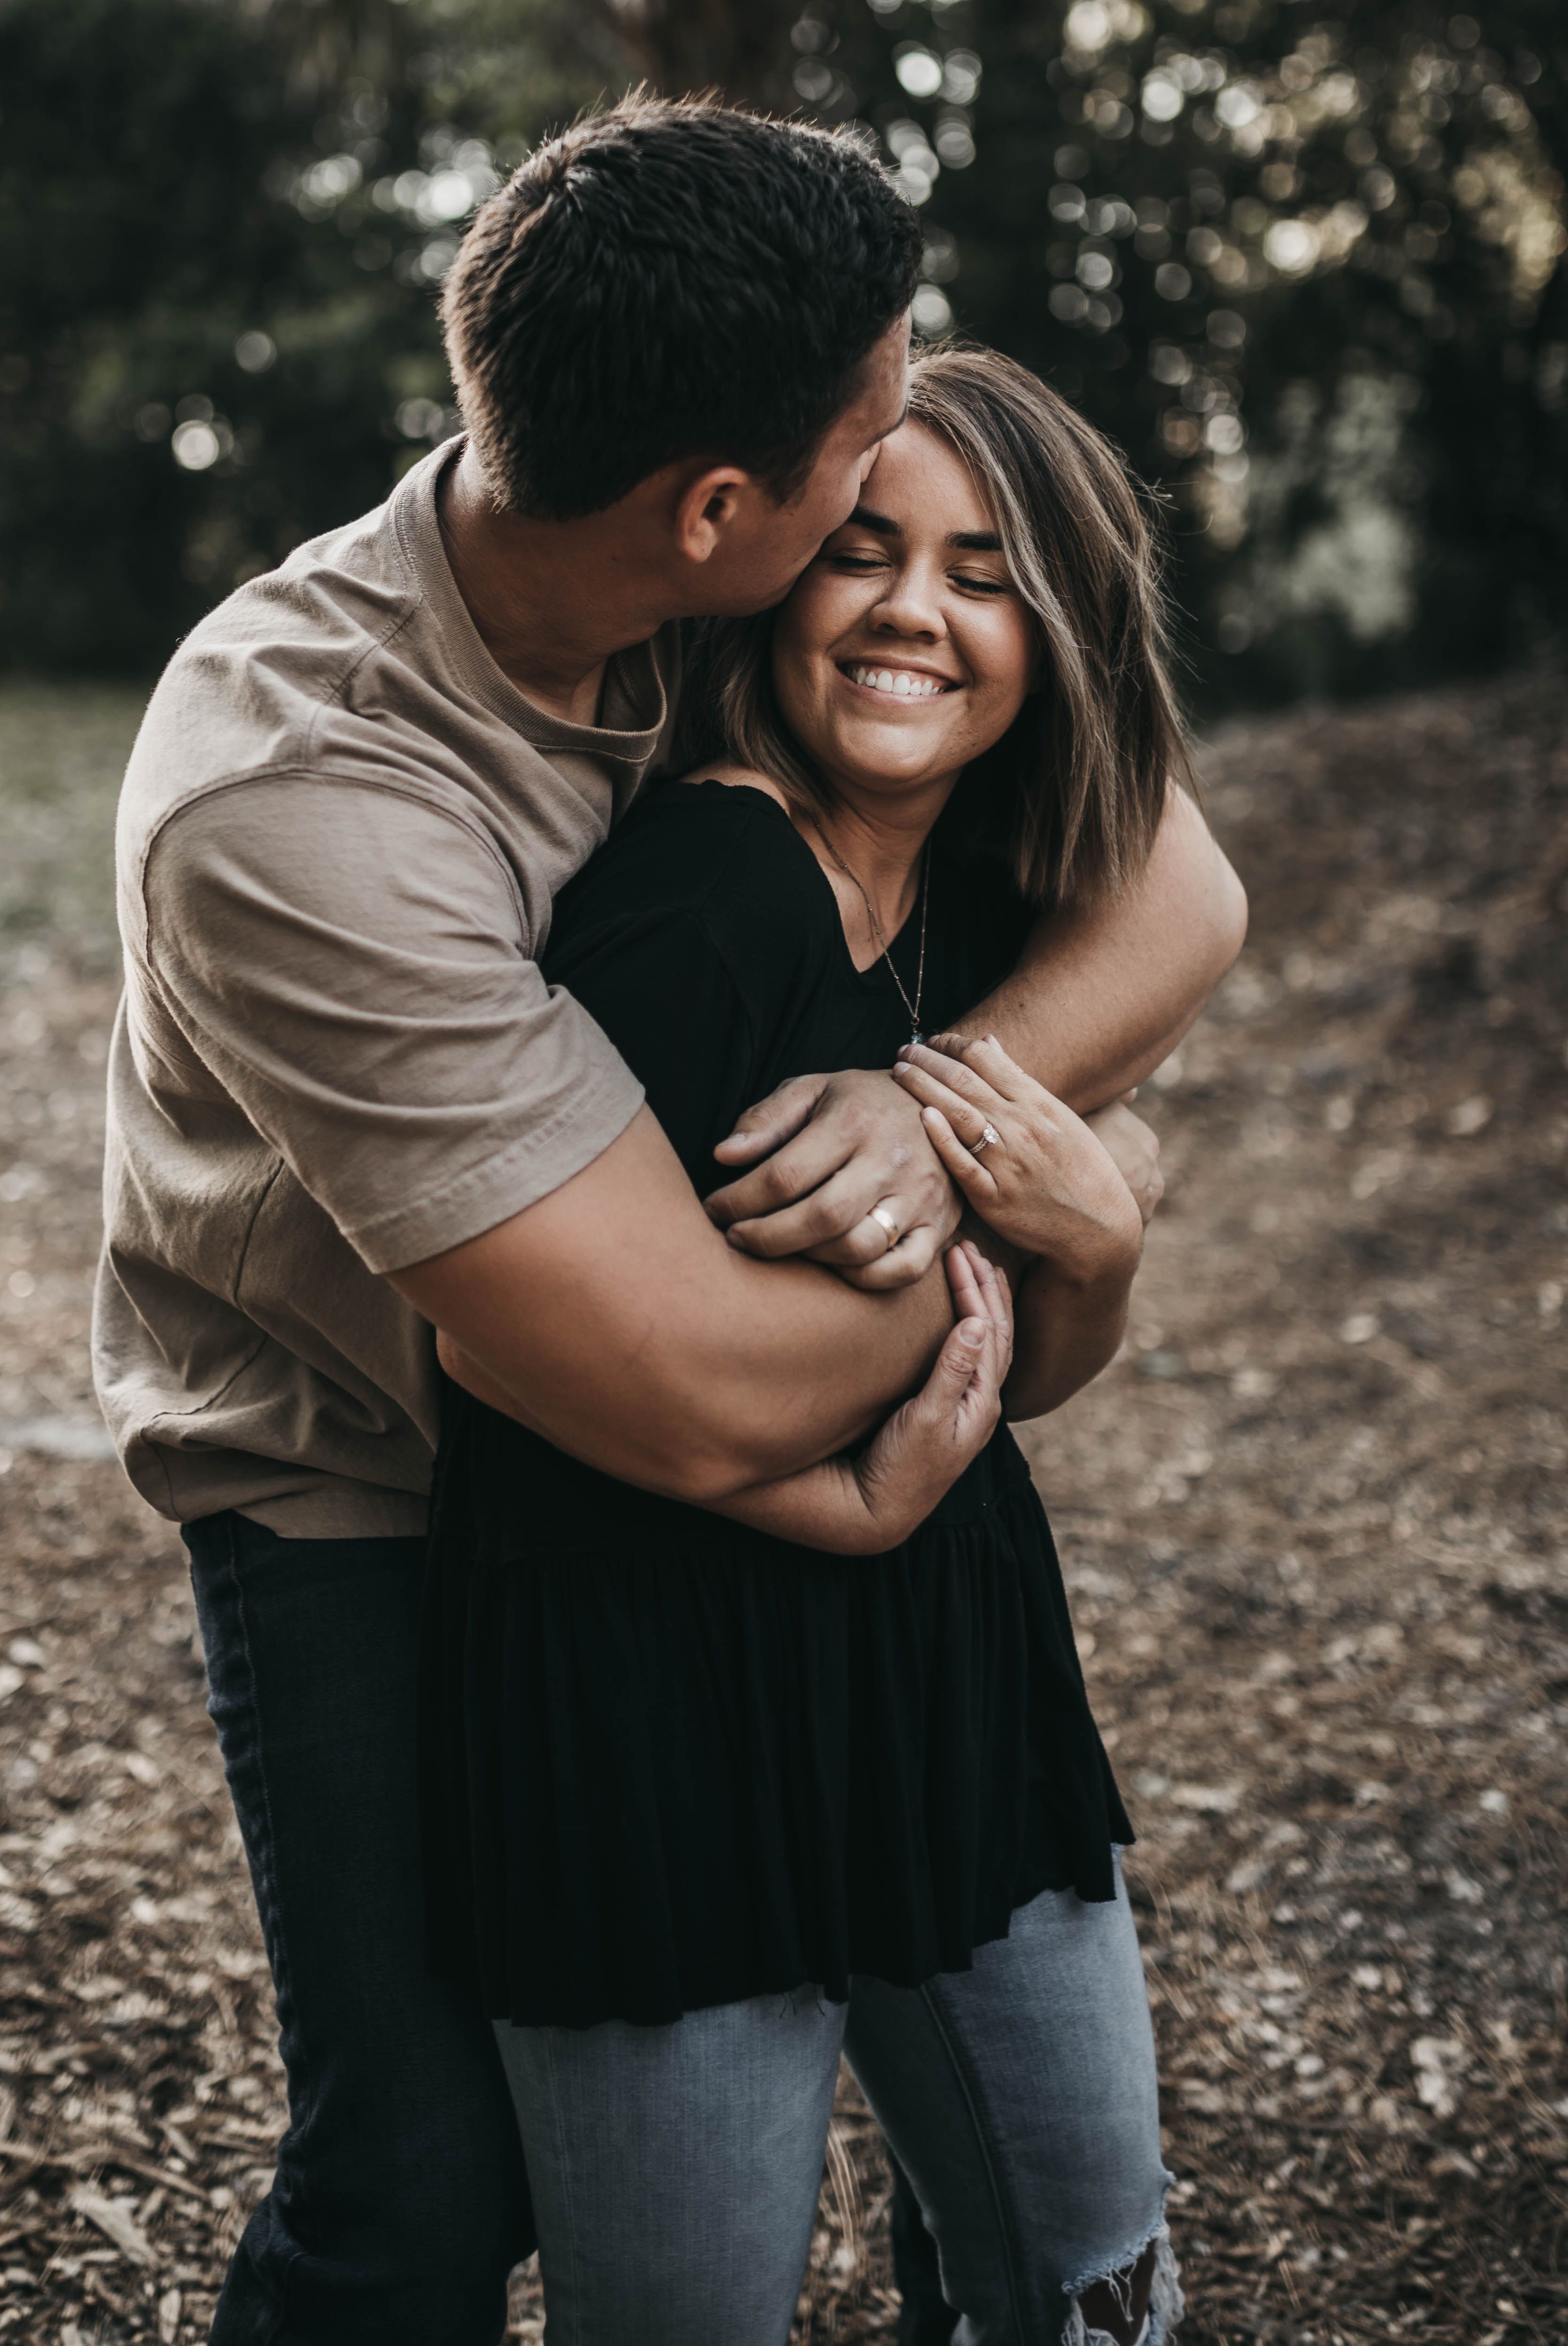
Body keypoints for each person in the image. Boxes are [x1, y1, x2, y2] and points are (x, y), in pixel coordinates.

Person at [92, 96, 1246, 2345]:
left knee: (983, 2123)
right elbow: (691, 1387)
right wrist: (1039, 1232)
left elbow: (1169, 874)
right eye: (864, 458)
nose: (899, 482)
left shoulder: (747, 589)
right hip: (370, 1478)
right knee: (426, 2186)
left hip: (751, 1462)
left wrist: (935, 1135)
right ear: (724, 512)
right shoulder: (299, 799)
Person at [421, 344, 1188, 2346]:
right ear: (771, 583)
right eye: (861, 552)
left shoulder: (990, 906)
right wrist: (831, 1504)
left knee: (1092, 2288)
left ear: (1057, 626)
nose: (915, 611)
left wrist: (1098, 1240)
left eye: (983, 569)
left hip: (956, 1675)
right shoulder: (698, 897)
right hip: (647, 1705)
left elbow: (1010, 1378)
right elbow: (509, 1363)